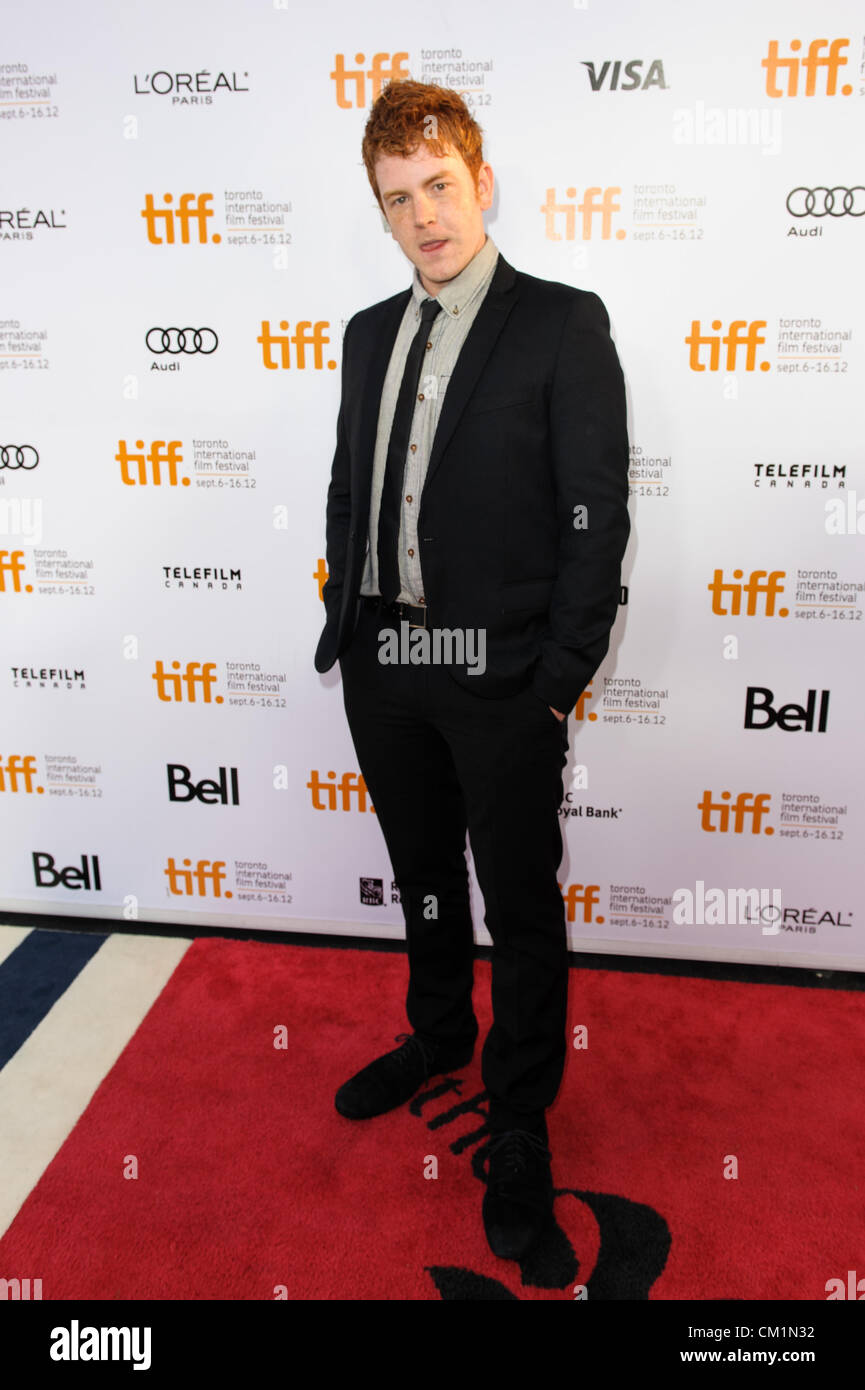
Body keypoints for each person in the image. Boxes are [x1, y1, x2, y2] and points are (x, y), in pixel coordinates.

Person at [314, 79, 630, 1260]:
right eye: (399, 199)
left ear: (482, 182)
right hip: (388, 656)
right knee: (420, 868)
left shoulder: (560, 321)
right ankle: (439, 1030)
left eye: (440, 186)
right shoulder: (363, 335)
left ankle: (522, 1119)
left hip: (502, 675)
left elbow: (595, 514)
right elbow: (355, 485)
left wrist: (558, 676)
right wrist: (350, 612)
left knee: (521, 900)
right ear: (382, 212)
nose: (424, 215)